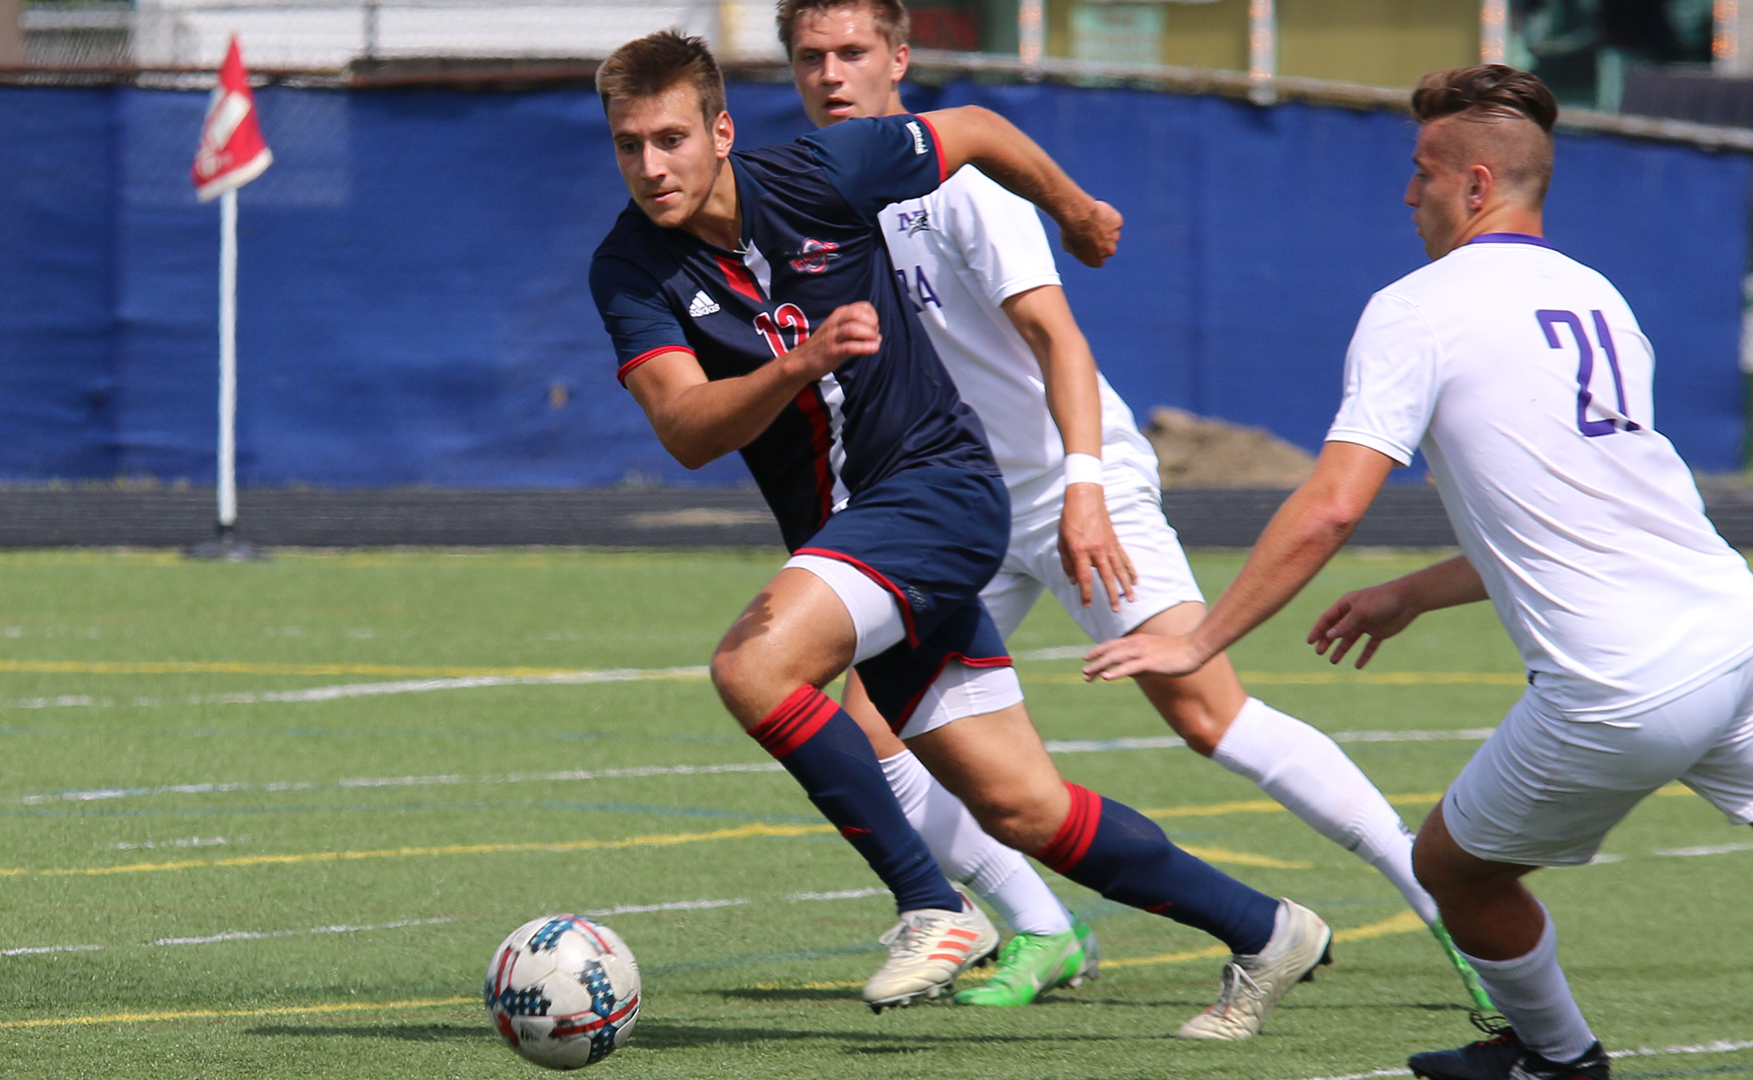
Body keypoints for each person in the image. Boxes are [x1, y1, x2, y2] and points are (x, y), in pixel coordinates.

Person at [589, 29, 1331, 1036]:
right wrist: (796, 365)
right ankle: (1265, 930)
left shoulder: (822, 169)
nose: (650, 166)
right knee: (1024, 808)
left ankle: (933, 907)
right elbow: (684, 428)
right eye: (628, 144)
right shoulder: (628, 267)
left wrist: (1074, 209)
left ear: (721, 132)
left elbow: (977, 128)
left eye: (670, 138)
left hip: (937, 490)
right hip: (861, 537)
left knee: (752, 668)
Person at [775, 0, 1488, 1011]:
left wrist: (1085, 491)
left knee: (1205, 709)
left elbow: (1060, 341)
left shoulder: (960, 186)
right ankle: (1042, 928)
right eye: (812, 56)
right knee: (873, 726)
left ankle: (1452, 915)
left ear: (899, 58)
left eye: (853, 52)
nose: (832, 74)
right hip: (955, 505)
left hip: (1072, 484)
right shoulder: (810, 201)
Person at [1084, 64, 1753, 1080]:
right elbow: (1588, 515)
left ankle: (1556, 1058)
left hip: (1620, 680)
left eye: (1423, 171)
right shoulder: (1598, 296)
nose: (1408, 194)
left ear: (1475, 184)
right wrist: (1411, 591)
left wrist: (1199, 640)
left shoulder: (1419, 306)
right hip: (1730, 628)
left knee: (1450, 867)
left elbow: (1332, 504)